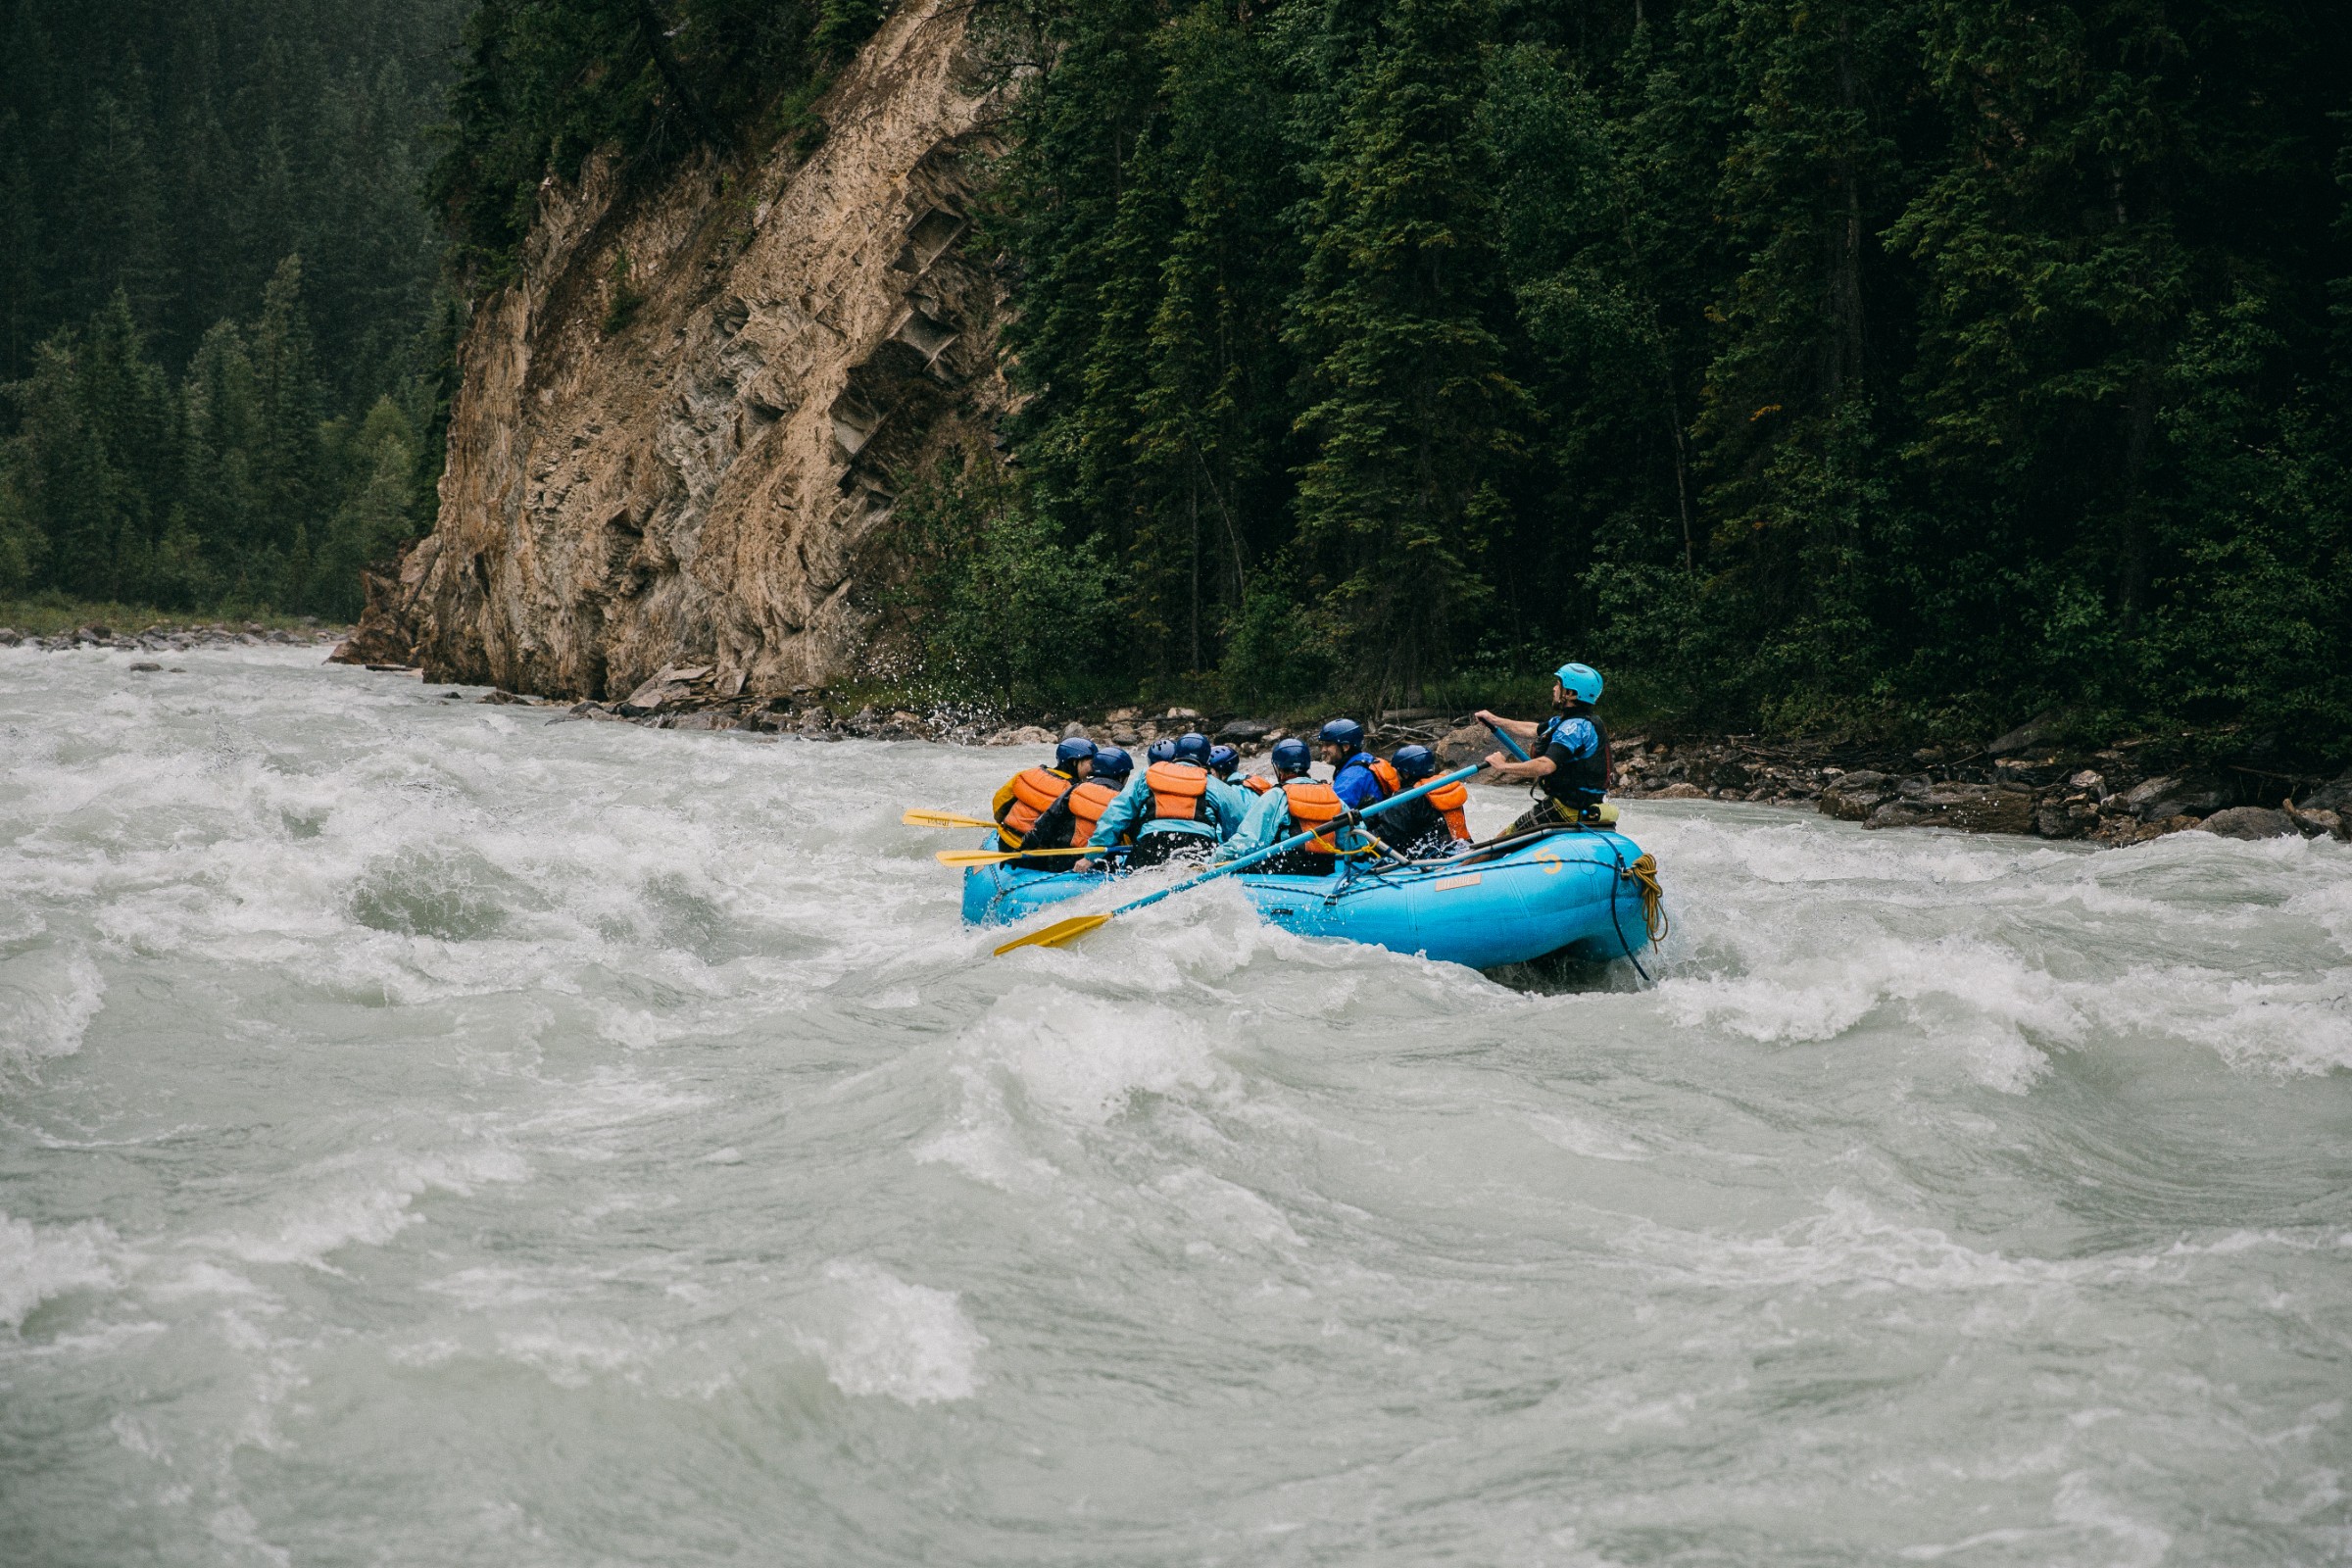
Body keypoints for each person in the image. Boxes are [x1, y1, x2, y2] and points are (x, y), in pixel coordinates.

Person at [1080, 731, 1251, 870]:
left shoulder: (1147, 776)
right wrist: (1223, 857)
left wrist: (1091, 856)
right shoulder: (1216, 786)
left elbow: (1115, 815)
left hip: (1150, 847)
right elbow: (1240, 829)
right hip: (1198, 851)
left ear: (1176, 754)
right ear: (1206, 760)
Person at [1478, 662, 1610, 834]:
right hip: (1586, 805)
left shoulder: (1574, 728)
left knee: (1501, 839)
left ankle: (1466, 862)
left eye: (1558, 684)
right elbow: (1532, 729)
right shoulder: (1576, 721)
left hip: (1566, 809)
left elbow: (1546, 765)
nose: (1554, 689)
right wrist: (1494, 720)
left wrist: (1503, 766)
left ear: (1570, 693)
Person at [1215, 737, 1372, 875]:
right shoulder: (1331, 795)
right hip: (1325, 866)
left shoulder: (1277, 795)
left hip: (1286, 868)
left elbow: (1249, 841)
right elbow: (1356, 842)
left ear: (1278, 767)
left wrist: (1215, 859)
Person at [1017, 745, 1130, 866]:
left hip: (1062, 861)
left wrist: (1021, 851)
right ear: (1122, 776)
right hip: (1101, 864)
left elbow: (1047, 821)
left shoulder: (1075, 789)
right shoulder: (1127, 799)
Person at [992, 736, 1095, 855]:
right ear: (1074, 762)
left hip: (1005, 845)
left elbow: (999, 805)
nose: (1094, 769)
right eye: (1091, 763)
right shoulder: (1078, 793)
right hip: (1040, 855)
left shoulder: (1027, 774)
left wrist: (1006, 824)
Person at [1368, 744, 1472, 858]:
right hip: (1457, 851)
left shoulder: (1405, 797)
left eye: (1397, 772)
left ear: (1406, 773)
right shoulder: (1444, 788)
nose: (1396, 776)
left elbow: (1385, 837)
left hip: (1423, 862)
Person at [1318, 719, 1394, 810]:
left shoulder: (1352, 776)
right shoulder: (1365, 758)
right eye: (1322, 745)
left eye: (1328, 745)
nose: (1323, 750)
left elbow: (1332, 810)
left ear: (1345, 747)